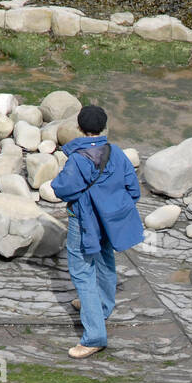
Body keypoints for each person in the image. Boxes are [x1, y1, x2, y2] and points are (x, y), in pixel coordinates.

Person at [49, 105, 144, 360]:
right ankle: (103, 305)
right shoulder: (118, 153)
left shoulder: (79, 159)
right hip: (109, 221)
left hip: (85, 222)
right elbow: (133, 190)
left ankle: (94, 338)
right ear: (103, 127)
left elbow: (61, 188)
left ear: (79, 128)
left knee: (82, 273)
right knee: (105, 260)